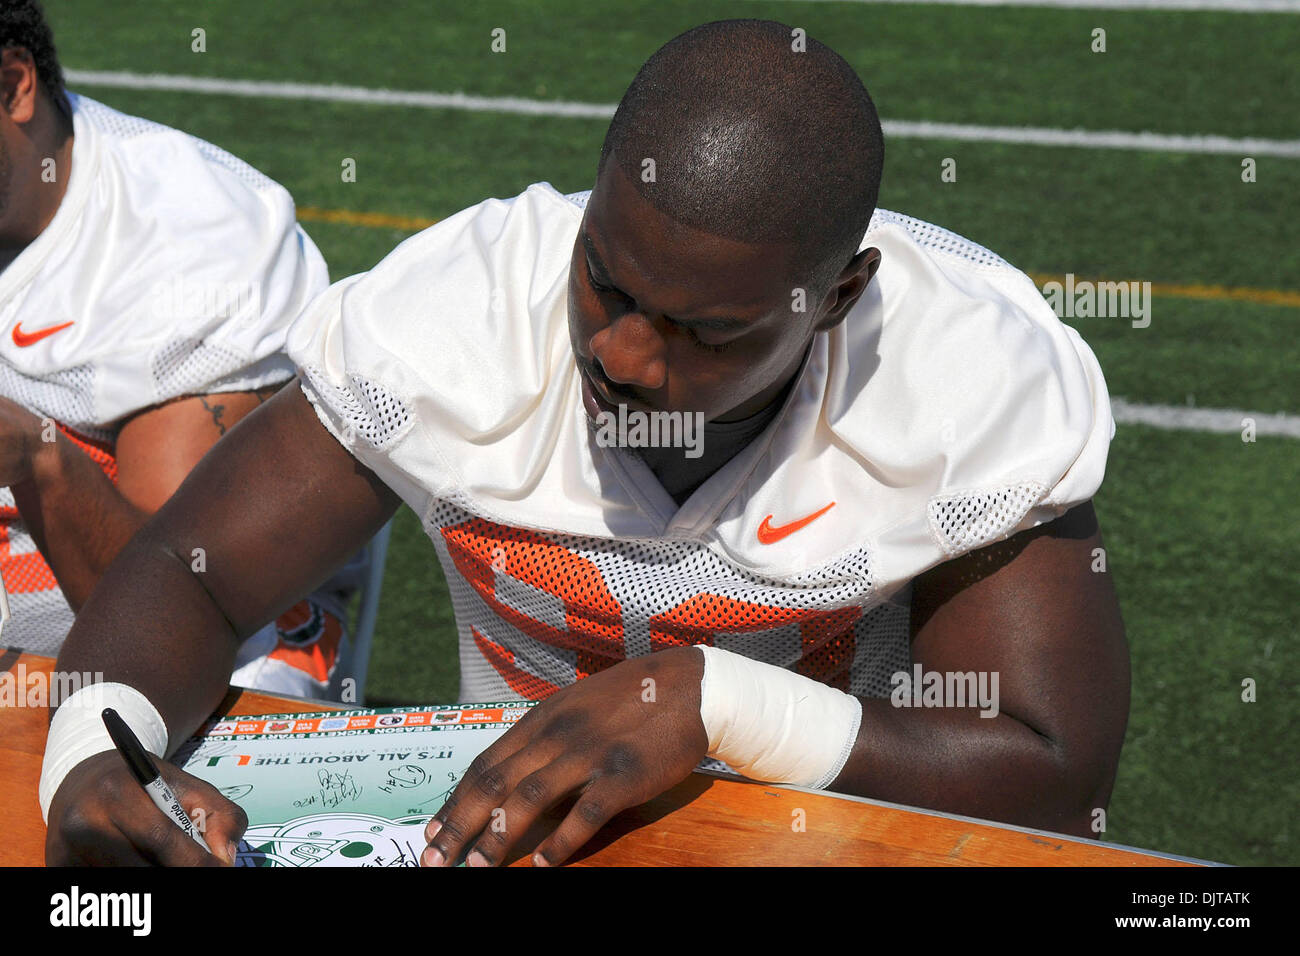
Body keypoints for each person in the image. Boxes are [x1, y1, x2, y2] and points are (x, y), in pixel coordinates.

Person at [43, 18, 1128, 867]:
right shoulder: (460, 315)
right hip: (500, 835)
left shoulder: (961, 373)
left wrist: (717, 700)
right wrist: (97, 741)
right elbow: (192, 577)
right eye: (604, 279)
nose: (625, 355)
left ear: (836, 296)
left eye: (706, 331)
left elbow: (1051, 767)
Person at [0, 1, 363, 699]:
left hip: (212, 646)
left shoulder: (192, 244)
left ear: (15, 84)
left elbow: (179, 608)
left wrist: (39, 459)